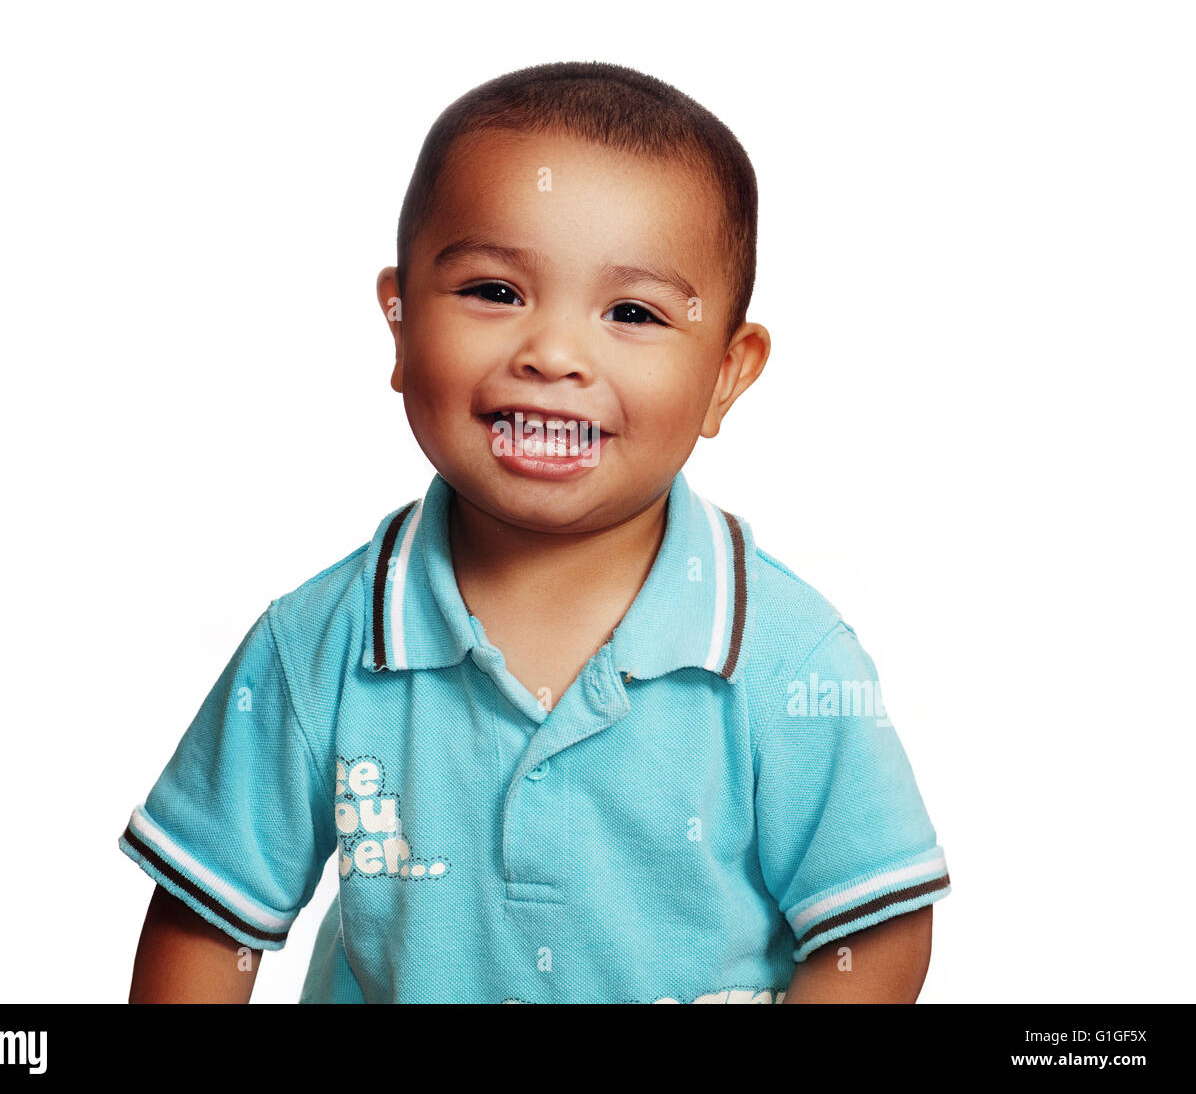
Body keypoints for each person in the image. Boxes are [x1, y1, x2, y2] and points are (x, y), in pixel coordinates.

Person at [121, 61, 950, 1003]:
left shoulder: (788, 657)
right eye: (493, 291)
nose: (552, 354)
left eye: (631, 312)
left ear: (727, 372)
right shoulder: (316, 648)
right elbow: (205, 926)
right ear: (398, 324)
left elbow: (875, 931)